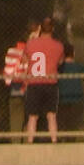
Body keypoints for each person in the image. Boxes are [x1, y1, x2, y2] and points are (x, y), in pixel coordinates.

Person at [23, 15, 63, 144]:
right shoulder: (58, 46)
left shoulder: (31, 44)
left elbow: (25, 59)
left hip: (34, 82)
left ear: (40, 28)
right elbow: (60, 61)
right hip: (50, 82)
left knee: (32, 116)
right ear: (53, 29)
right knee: (51, 115)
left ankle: (30, 141)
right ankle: (54, 140)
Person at [3, 22, 33, 136]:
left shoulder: (11, 51)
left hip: (15, 83)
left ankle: (15, 141)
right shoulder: (31, 52)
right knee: (29, 116)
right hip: (29, 85)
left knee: (16, 115)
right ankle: (27, 142)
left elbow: (8, 68)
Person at [58, 41, 84, 136]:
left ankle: (62, 137)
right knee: (73, 124)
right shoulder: (79, 67)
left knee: (62, 123)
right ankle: (71, 138)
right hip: (76, 98)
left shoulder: (59, 68)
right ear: (73, 53)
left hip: (62, 98)